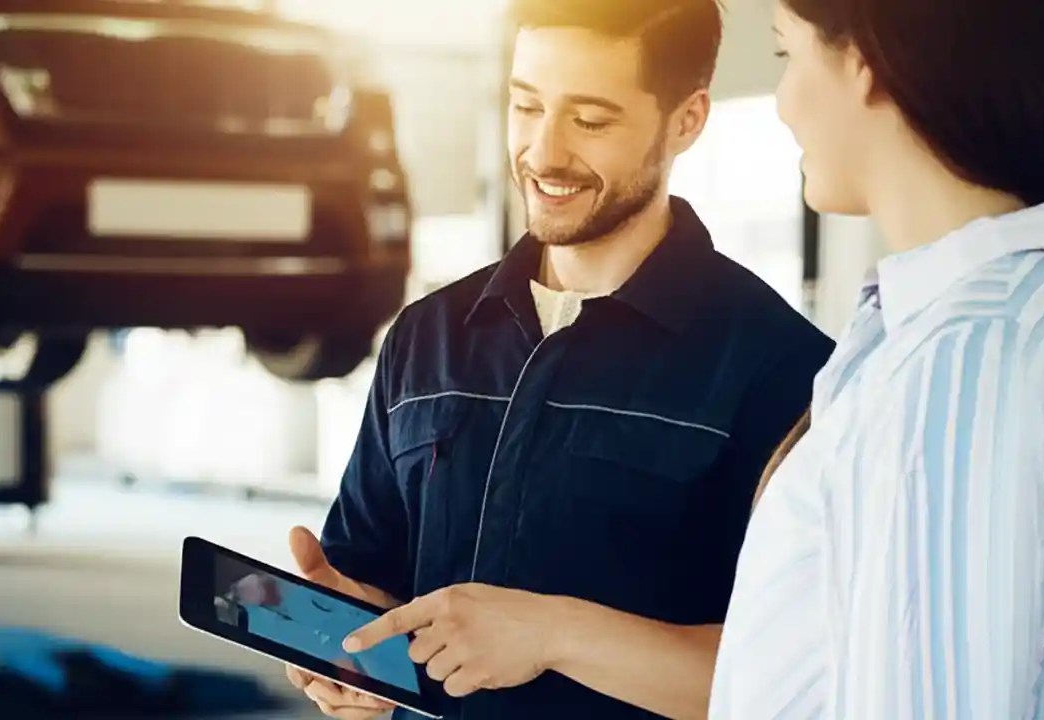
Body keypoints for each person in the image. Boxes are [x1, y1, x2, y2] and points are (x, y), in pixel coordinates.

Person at [279, 1, 835, 718]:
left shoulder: (780, 369)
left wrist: (552, 633)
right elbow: (376, 577)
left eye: (591, 119)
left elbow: (798, 676)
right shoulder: (427, 338)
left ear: (687, 120)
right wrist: (353, 642)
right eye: (525, 106)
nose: (544, 153)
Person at [708, 0, 1044, 716]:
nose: (782, 103)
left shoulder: (965, 358)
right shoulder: (993, 323)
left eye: (788, 55)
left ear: (864, 63)